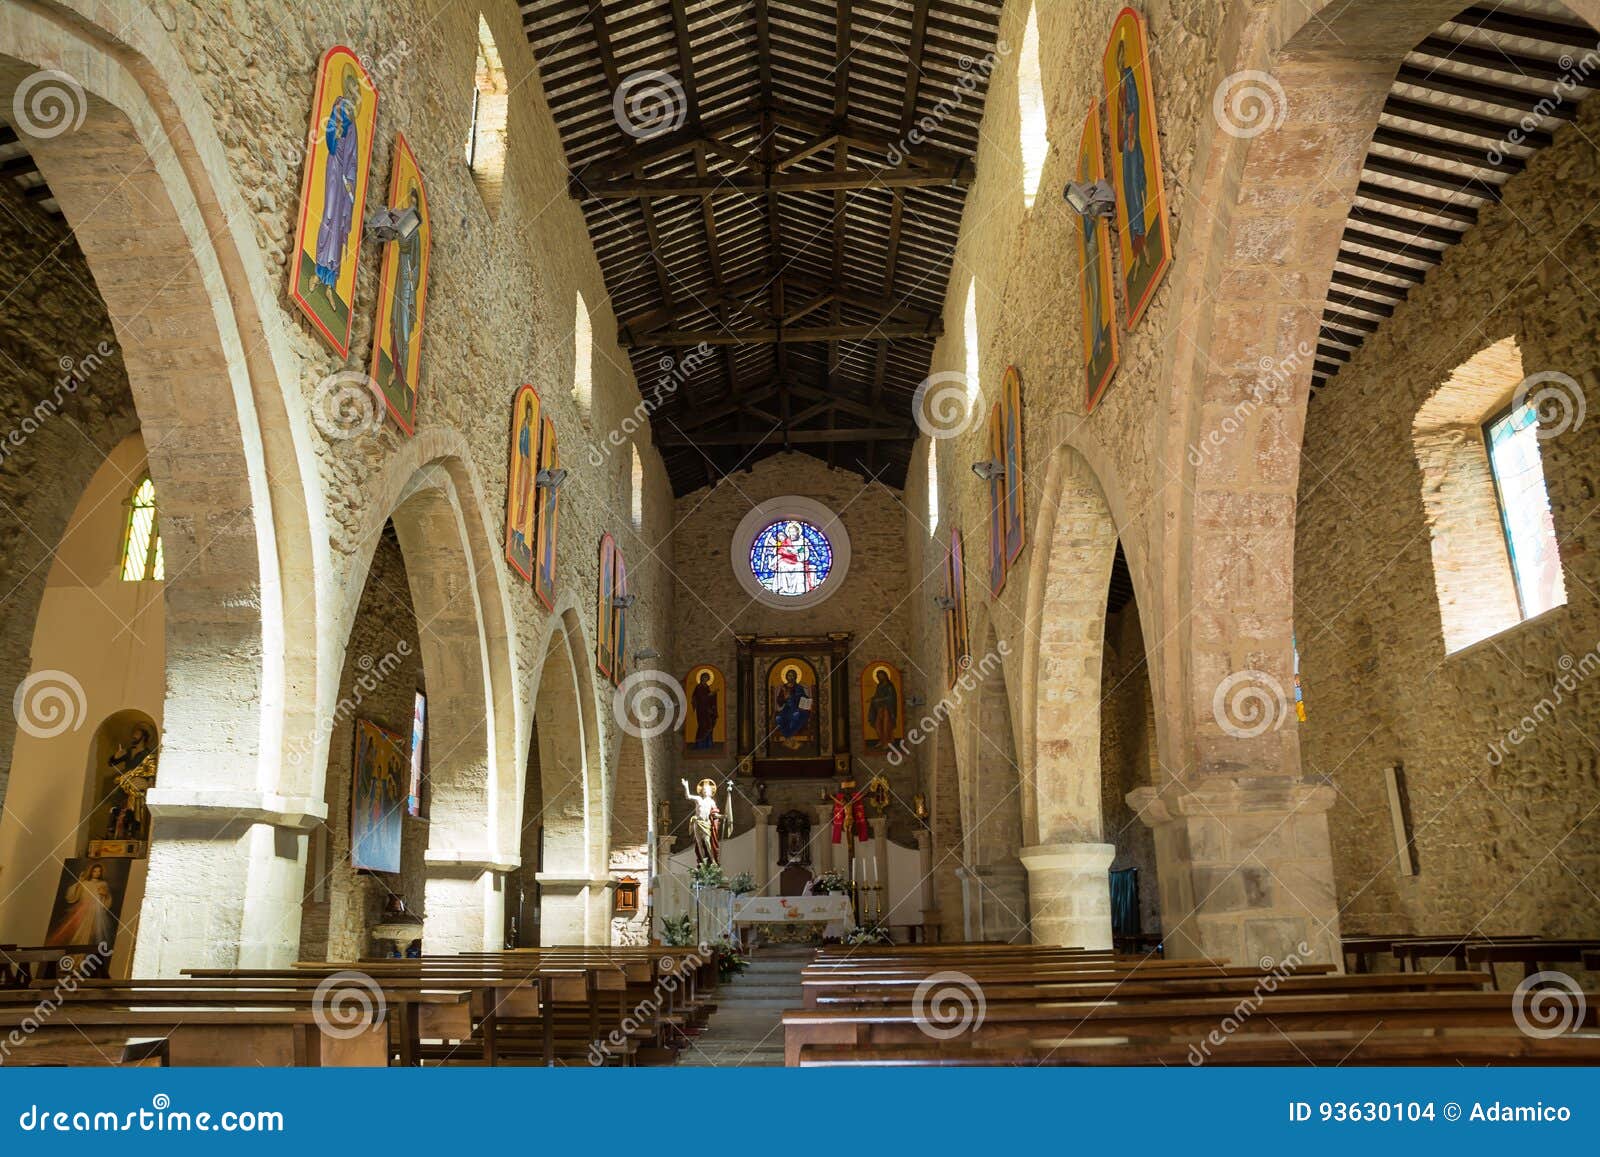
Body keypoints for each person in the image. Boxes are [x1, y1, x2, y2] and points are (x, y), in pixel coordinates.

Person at [313, 65, 364, 310]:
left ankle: (331, 281)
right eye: (351, 90)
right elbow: (332, 144)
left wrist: (350, 181)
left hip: (345, 180)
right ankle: (318, 269)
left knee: (340, 225)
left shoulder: (354, 125)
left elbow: (354, 158)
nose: (353, 95)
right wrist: (336, 126)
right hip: (334, 171)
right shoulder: (338, 110)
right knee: (329, 216)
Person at [46, 863, 116, 948]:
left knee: (91, 934)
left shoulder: (103, 884)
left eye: (99, 871)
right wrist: (80, 882)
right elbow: (74, 896)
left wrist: (104, 894)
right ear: (91, 872)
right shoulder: (85, 883)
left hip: (94, 912)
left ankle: (84, 956)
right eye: (95, 871)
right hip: (82, 910)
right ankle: (75, 954)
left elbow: (107, 899)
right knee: (77, 932)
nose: (97, 873)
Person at [682, 777, 724, 865]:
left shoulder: (712, 802)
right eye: (704, 789)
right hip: (697, 822)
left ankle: (713, 861)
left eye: (707, 789)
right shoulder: (698, 799)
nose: (705, 791)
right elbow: (688, 796)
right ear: (701, 791)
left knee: (707, 842)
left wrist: (722, 816)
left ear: (711, 791)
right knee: (699, 843)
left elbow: (714, 814)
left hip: (706, 824)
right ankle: (703, 862)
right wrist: (686, 786)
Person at [774, 665, 812, 748]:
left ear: (795, 677)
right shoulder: (783, 688)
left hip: (797, 708)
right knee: (778, 718)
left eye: (792, 675)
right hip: (787, 709)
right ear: (786, 676)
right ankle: (789, 738)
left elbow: (804, 698)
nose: (790, 677)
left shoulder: (799, 687)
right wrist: (784, 698)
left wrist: (792, 697)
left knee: (796, 716)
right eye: (789, 675)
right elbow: (779, 702)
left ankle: (788, 738)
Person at [867, 667, 898, 749]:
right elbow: (877, 695)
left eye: (881, 675)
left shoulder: (889, 685)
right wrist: (872, 699)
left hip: (887, 708)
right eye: (878, 676)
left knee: (886, 726)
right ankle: (882, 741)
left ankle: (887, 742)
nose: (880, 677)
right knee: (877, 725)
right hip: (879, 708)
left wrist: (879, 699)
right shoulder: (879, 685)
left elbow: (890, 697)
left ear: (885, 675)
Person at [690, 671, 718, 750]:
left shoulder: (706, 686)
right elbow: (700, 698)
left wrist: (713, 694)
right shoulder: (698, 687)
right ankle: (700, 744)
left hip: (707, 710)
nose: (706, 679)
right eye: (704, 677)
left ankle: (708, 744)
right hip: (702, 710)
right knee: (702, 725)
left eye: (707, 678)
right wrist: (710, 694)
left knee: (708, 725)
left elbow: (709, 698)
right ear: (701, 677)